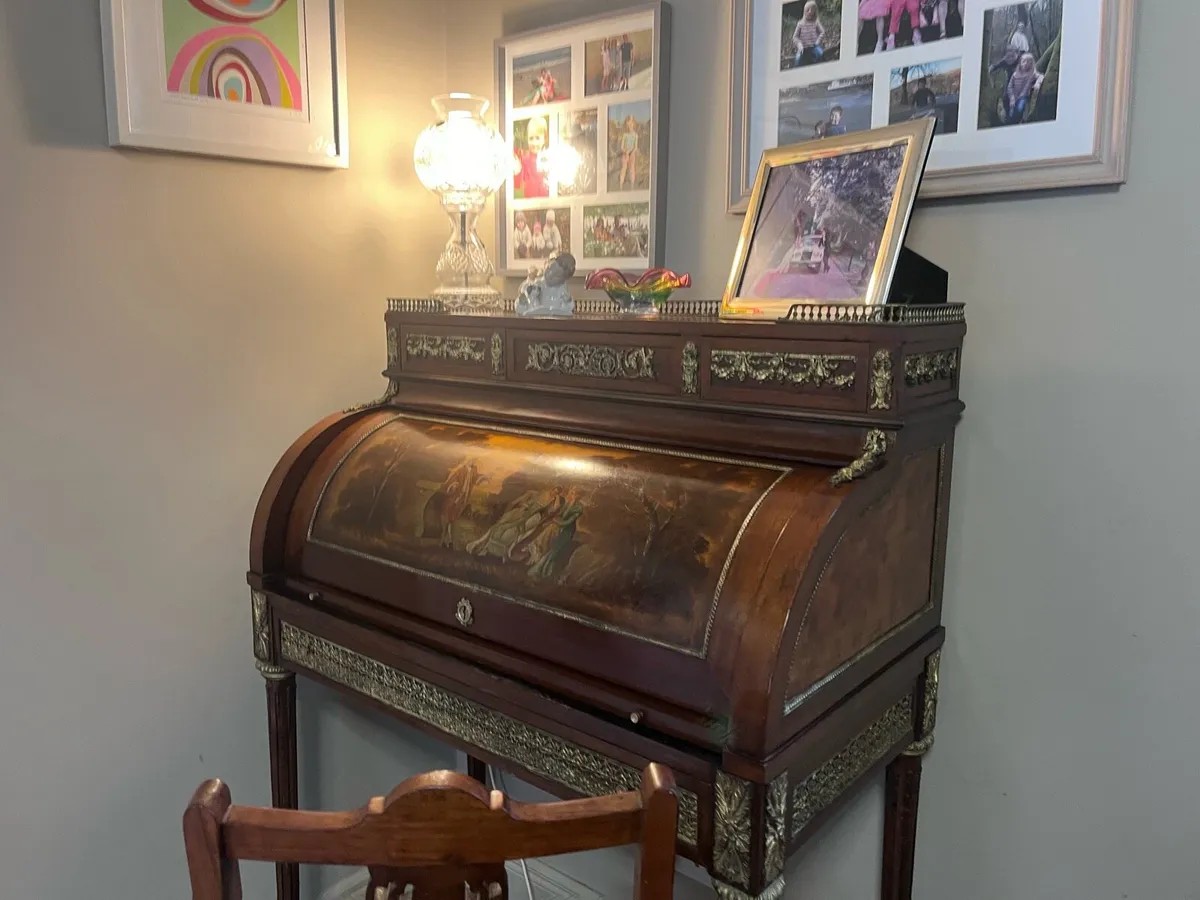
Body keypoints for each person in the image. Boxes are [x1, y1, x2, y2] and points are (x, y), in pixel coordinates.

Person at [1001, 51, 1044, 124]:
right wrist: (1012, 97)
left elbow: (1041, 76)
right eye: (1024, 61)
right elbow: (1010, 87)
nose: (1026, 64)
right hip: (1013, 96)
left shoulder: (1032, 74)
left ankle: (1018, 120)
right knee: (1010, 111)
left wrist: (1037, 83)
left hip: (1023, 97)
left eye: (1029, 62)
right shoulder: (1015, 75)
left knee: (1019, 108)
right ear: (1020, 63)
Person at [514, 117, 549, 198]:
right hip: (529, 203)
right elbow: (517, 184)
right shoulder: (525, 159)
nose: (534, 143)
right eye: (531, 138)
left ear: (545, 138)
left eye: (537, 138)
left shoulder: (548, 157)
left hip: (546, 202)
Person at [792, 1, 826, 66]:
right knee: (797, 59)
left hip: (814, 46)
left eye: (812, 10)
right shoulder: (800, 23)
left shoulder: (816, 22)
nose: (810, 12)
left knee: (820, 54)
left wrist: (818, 41)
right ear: (805, 11)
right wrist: (799, 45)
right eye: (808, 10)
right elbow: (795, 37)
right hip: (803, 48)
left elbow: (822, 32)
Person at [618, 114, 640, 189]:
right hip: (625, 154)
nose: (630, 124)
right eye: (629, 122)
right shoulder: (625, 135)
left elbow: (635, 147)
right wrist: (626, 151)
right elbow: (622, 146)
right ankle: (621, 185)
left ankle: (632, 185)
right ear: (627, 124)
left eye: (632, 122)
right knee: (624, 168)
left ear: (634, 124)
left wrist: (632, 152)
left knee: (632, 169)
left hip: (632, 154)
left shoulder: (635, 135)